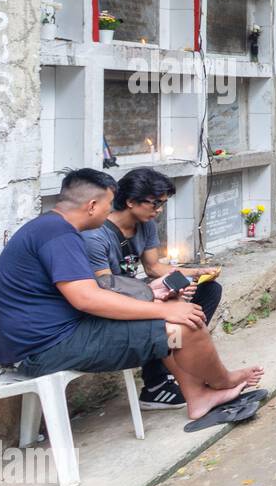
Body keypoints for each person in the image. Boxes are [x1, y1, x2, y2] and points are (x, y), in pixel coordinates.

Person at [0, 169, 263, 425]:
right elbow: (87, 299)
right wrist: (163, 311)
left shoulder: (52, 229)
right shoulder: (59, 236)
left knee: (175, 320)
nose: (111, 210)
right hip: (44, 349)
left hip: (57, 336)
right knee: (182, 326)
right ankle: (223, 381)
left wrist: (155, 298)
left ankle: (198, 396)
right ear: (92, 205)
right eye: (109, 204)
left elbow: (94, 291)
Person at [82, 167, 223, 410]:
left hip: (139, 289)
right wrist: (156, 293)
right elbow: (105, 284)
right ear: (130, 201)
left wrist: (195, 274)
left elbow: (153, 267)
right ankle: (156, 385)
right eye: (155, 203)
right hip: (115, 300)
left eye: (163, 204)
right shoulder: (97, 235)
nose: (159, 210)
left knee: (209, 290)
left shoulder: (145, 224)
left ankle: (182, 369)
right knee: (170, 309)